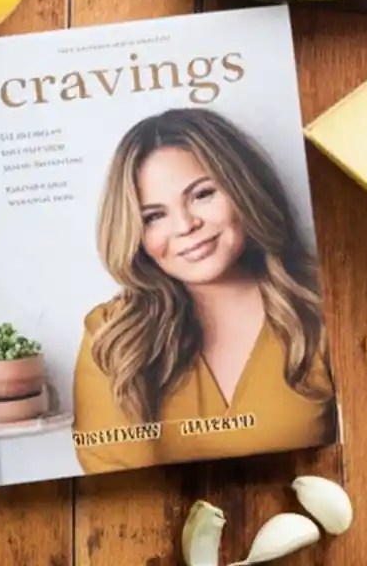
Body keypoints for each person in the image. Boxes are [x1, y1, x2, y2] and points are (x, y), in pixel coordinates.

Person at [72, 108, 335, 475]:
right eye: (154, 216)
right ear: (135, 234)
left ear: (242, 186)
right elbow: (114, 479)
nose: (185, 225)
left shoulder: (323, 304)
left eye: (202, 194)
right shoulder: (111, 335)